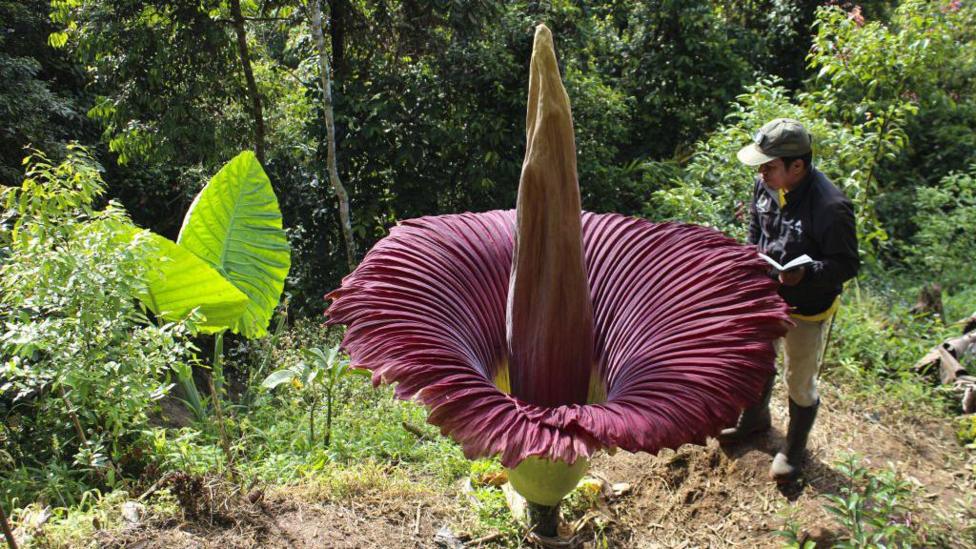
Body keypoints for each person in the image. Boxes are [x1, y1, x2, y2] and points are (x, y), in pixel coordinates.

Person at [719, 118, 859, 482]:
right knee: (759, 358)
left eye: (769, 166)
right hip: (767, 294)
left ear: (797, 165)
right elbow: (756, 228)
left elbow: (846, 264)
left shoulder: (830, 206)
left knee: (799, 379)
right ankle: (755, 417)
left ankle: (794, 447)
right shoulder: (764, 185)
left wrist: (807, 274)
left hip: (807, 307)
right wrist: (750, 259)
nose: (762, 172)